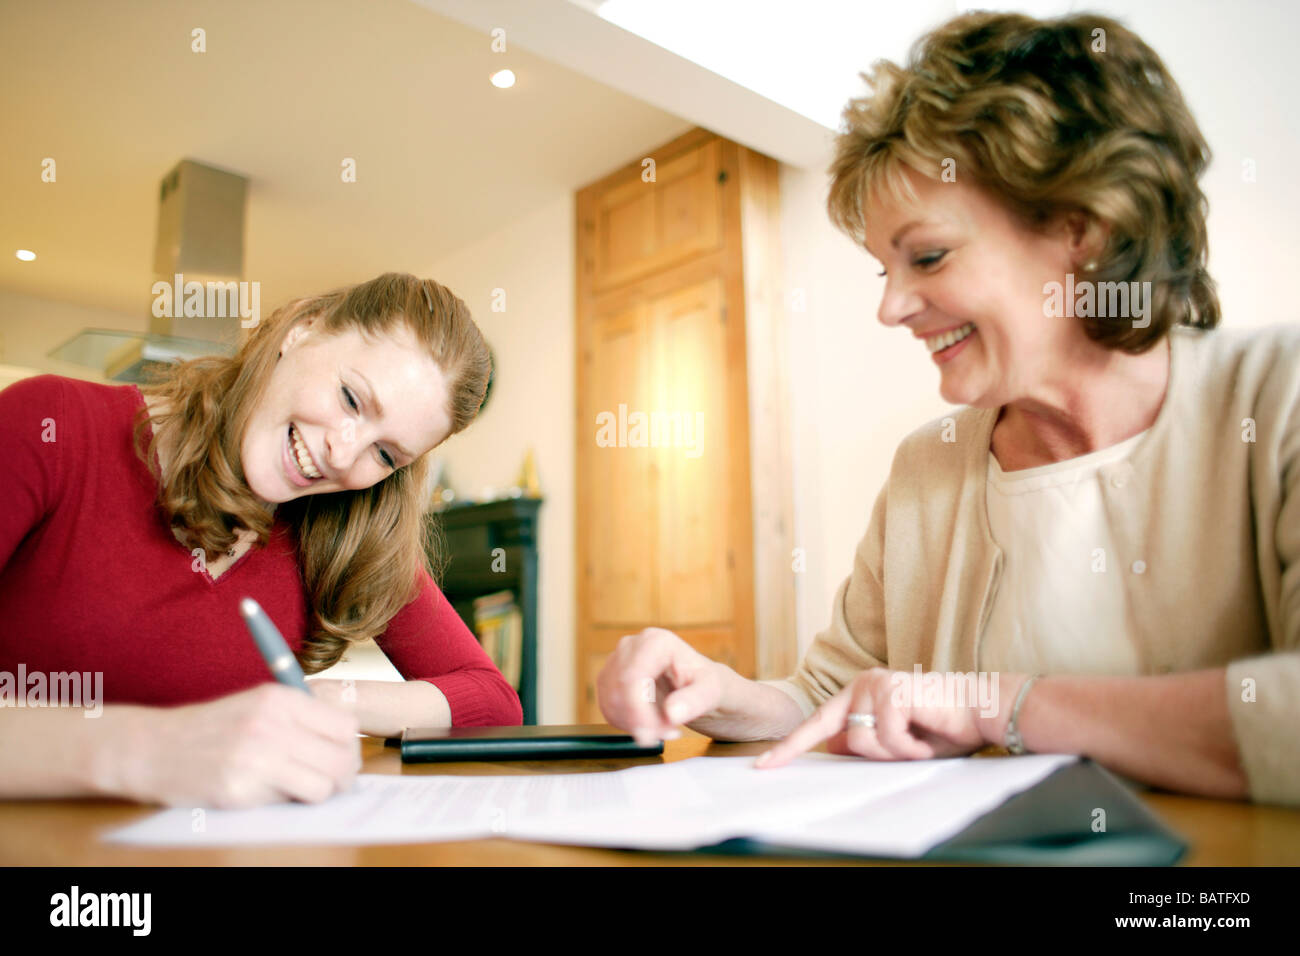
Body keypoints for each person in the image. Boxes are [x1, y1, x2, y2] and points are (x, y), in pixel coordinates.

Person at [597, 11, 1300, 805]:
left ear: (1084, 229)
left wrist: (1000, 705)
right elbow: (837, 692)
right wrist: (725, 695)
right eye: (882, 271)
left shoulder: (1278, 398)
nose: (891, 308)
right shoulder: (928, 468)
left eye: (927, 256)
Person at [0, 272, 521, 809]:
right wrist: (156, 751)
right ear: (303, 329)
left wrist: (323, 701)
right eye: (350, 399)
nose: (342, 457)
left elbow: (492, 699)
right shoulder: (50, 425)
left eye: (386, 455)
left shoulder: (341, 528)